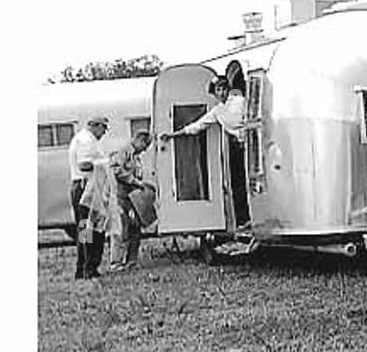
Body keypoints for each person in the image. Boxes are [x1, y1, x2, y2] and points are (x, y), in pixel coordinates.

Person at [159, 77, 250, 225]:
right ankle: (243, 218)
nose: (221, 93)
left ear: (228, 89)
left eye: (223, 89)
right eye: (218, 90)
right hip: (238, 147)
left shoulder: (240, 101)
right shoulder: (218, 111)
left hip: (251, 144)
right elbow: (197, 126)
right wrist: (172, 135)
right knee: (238, 182)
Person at [67, 116, 110, 279]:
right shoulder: (86, 140)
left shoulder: (84, 139)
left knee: (86, 229)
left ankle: (84, 267)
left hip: (85, 188)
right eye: (103, 129)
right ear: (96, 126)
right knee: (89, 229)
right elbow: (83, 165)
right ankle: (88, 267)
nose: (104, 133)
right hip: (86, 189)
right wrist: (104, 163)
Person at [109, 130, 154, 270]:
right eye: (145, 146)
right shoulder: (124, 152)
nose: (144, 150)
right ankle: (116, 262)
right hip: (123, 197)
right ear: (139, 140)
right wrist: (134, 181)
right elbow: (117, 170)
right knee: (122, 229)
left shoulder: (136, 156)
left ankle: (131, 261)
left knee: (135, 228)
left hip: (133, 198)